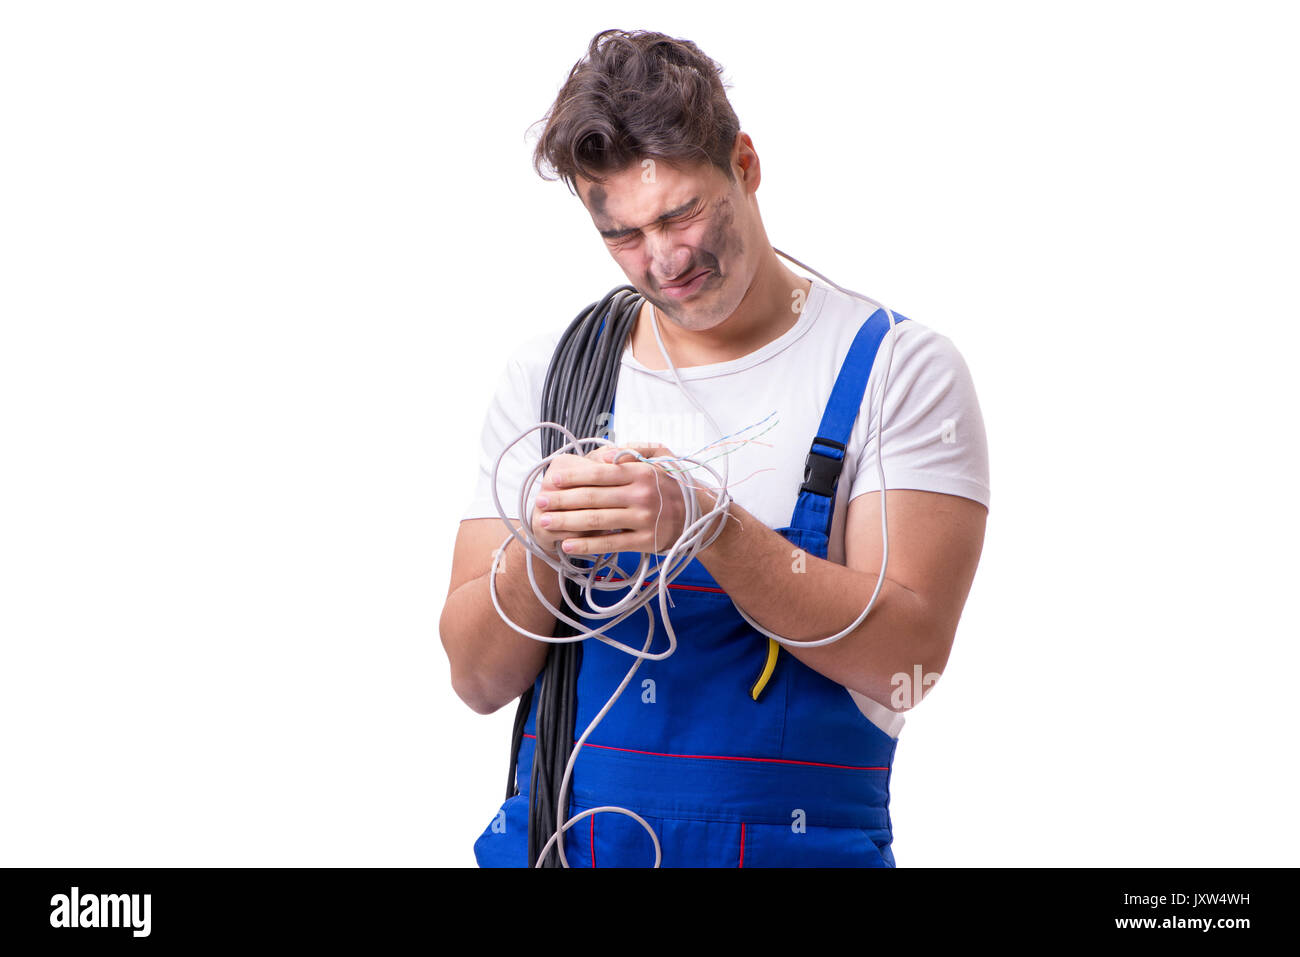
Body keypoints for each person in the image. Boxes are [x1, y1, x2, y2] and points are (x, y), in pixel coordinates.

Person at [440, 28, 989, 867]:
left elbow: (908, 662)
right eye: (622, 235)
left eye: (679, 213)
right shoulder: (553, 375)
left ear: (745, 163)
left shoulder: (896, 370)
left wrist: (712, 526)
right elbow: (476, 681)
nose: (663, 260)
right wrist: (544, 540)